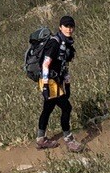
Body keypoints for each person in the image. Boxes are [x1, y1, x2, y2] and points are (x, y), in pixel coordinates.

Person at [36, 15, 84, 152]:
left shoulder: (66, 43)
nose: (69, 29)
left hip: (55, 81)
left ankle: (41, 139)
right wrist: (45, 86)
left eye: (71, 26)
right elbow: (46, 64)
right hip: (49, 81)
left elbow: (64, 65)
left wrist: (67, 84)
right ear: (60, 27)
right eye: (66, 26)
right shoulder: (55, 42)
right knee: (66, 108)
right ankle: (69, 140)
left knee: (48, 108)